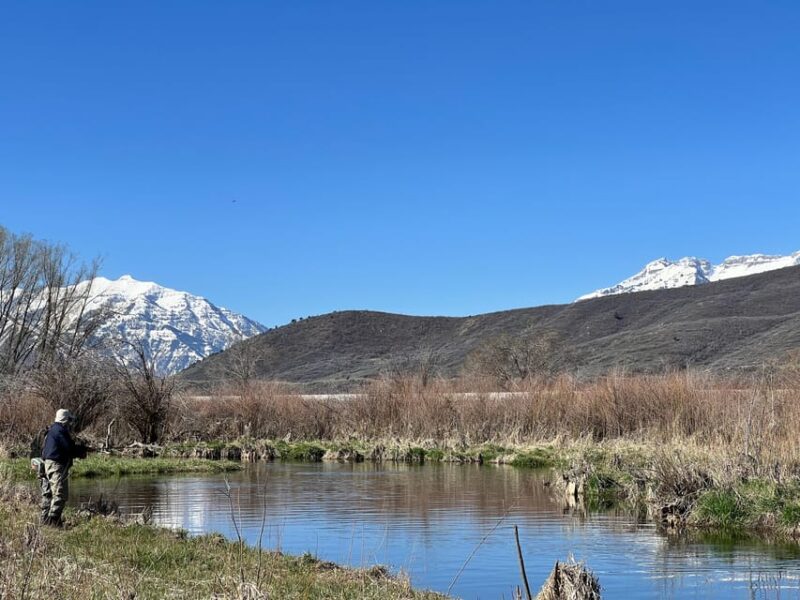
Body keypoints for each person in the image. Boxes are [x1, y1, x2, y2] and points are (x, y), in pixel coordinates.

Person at [40, 409, 87, 527]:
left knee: (49, 494)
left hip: (48, 464)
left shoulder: (53, 430)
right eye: (69, 420)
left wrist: (79, 450)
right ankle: (53, 521)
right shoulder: (60, 431)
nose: (70, 423)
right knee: (60, 494)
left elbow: (66, 448)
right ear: (65, 420)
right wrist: (81, 451)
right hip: (55, 466)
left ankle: (45, 520)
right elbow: (69, 448)